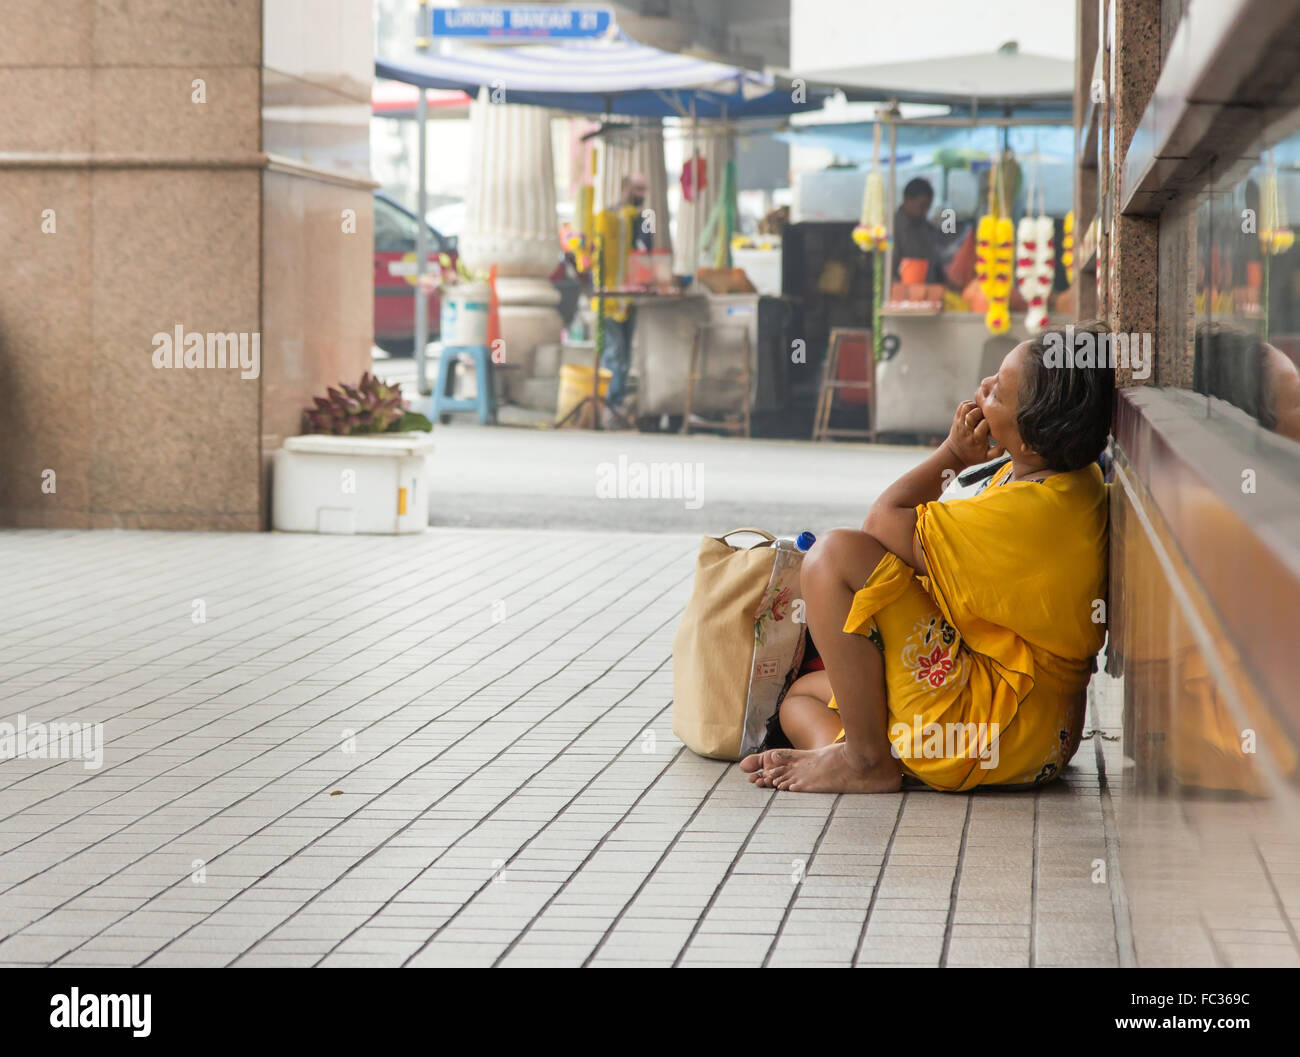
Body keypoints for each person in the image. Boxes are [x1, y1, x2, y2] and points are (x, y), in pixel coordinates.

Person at [741, 322, 1114, 793]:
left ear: (1030, 442)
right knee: (801, 699)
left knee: (833, 557)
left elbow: (880, 523)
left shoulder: (1028, 512)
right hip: (1043, 737)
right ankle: (858, 751)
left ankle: (865, 761)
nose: (982, 391)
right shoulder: (1070, 481)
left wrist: (955, 453)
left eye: (997, 392)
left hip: (993, 725)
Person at [594, 174, 653, 415]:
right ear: (625, 187)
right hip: (609, 299)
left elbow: (648, 252)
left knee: (625, 357)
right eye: (637, 189)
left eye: (643, 190)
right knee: (615, 355)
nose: (641, 194)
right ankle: (610, 406)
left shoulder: (645, 218)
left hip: (631, 299)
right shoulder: (606, 217)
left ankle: (613, 405)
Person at [892, 177, 951, 287]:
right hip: (903, 294)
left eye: (928, 207)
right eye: (922, 206)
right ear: (907, 199)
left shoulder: (927, 229)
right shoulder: (893, 228)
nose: (925, 212)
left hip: (927, 291)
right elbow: (890, 269)